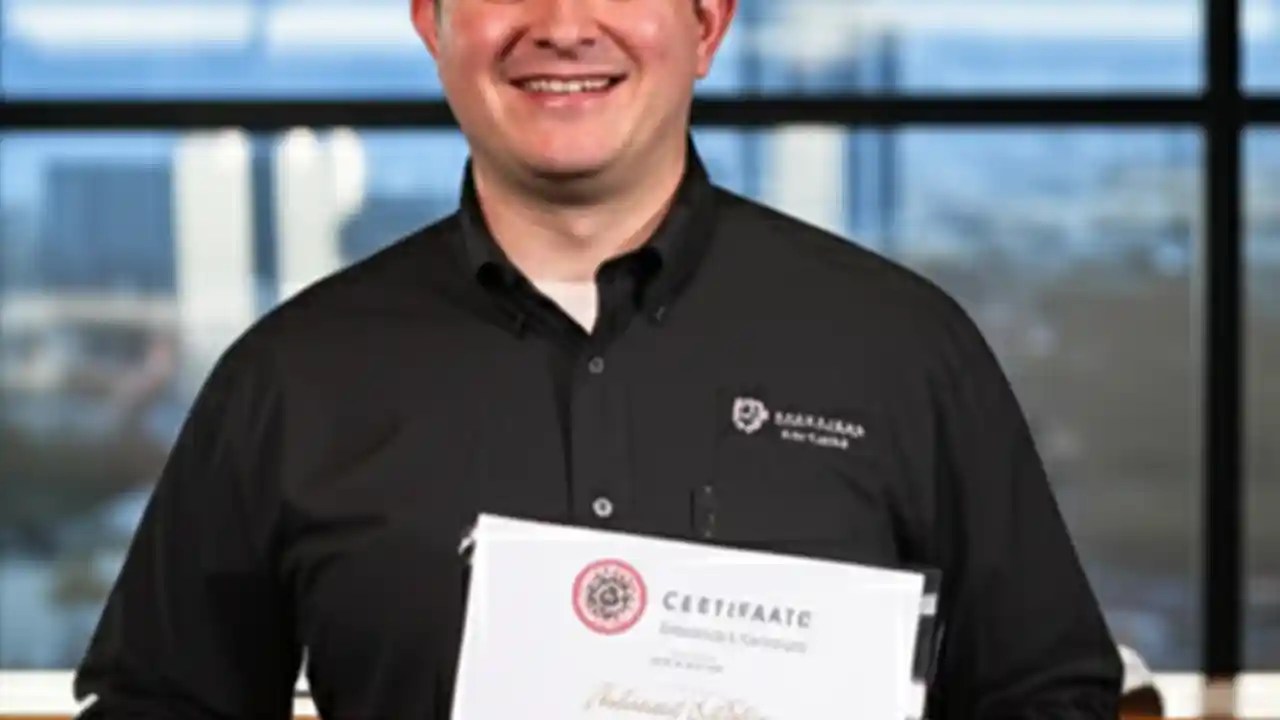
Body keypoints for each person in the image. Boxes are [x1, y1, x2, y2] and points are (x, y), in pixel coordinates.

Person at [73, 0, 1124, 717]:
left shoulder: (899, 349)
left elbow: (1046, 691)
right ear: (429, 22)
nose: (563, 25)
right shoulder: (290, 381)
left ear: (707, 21)